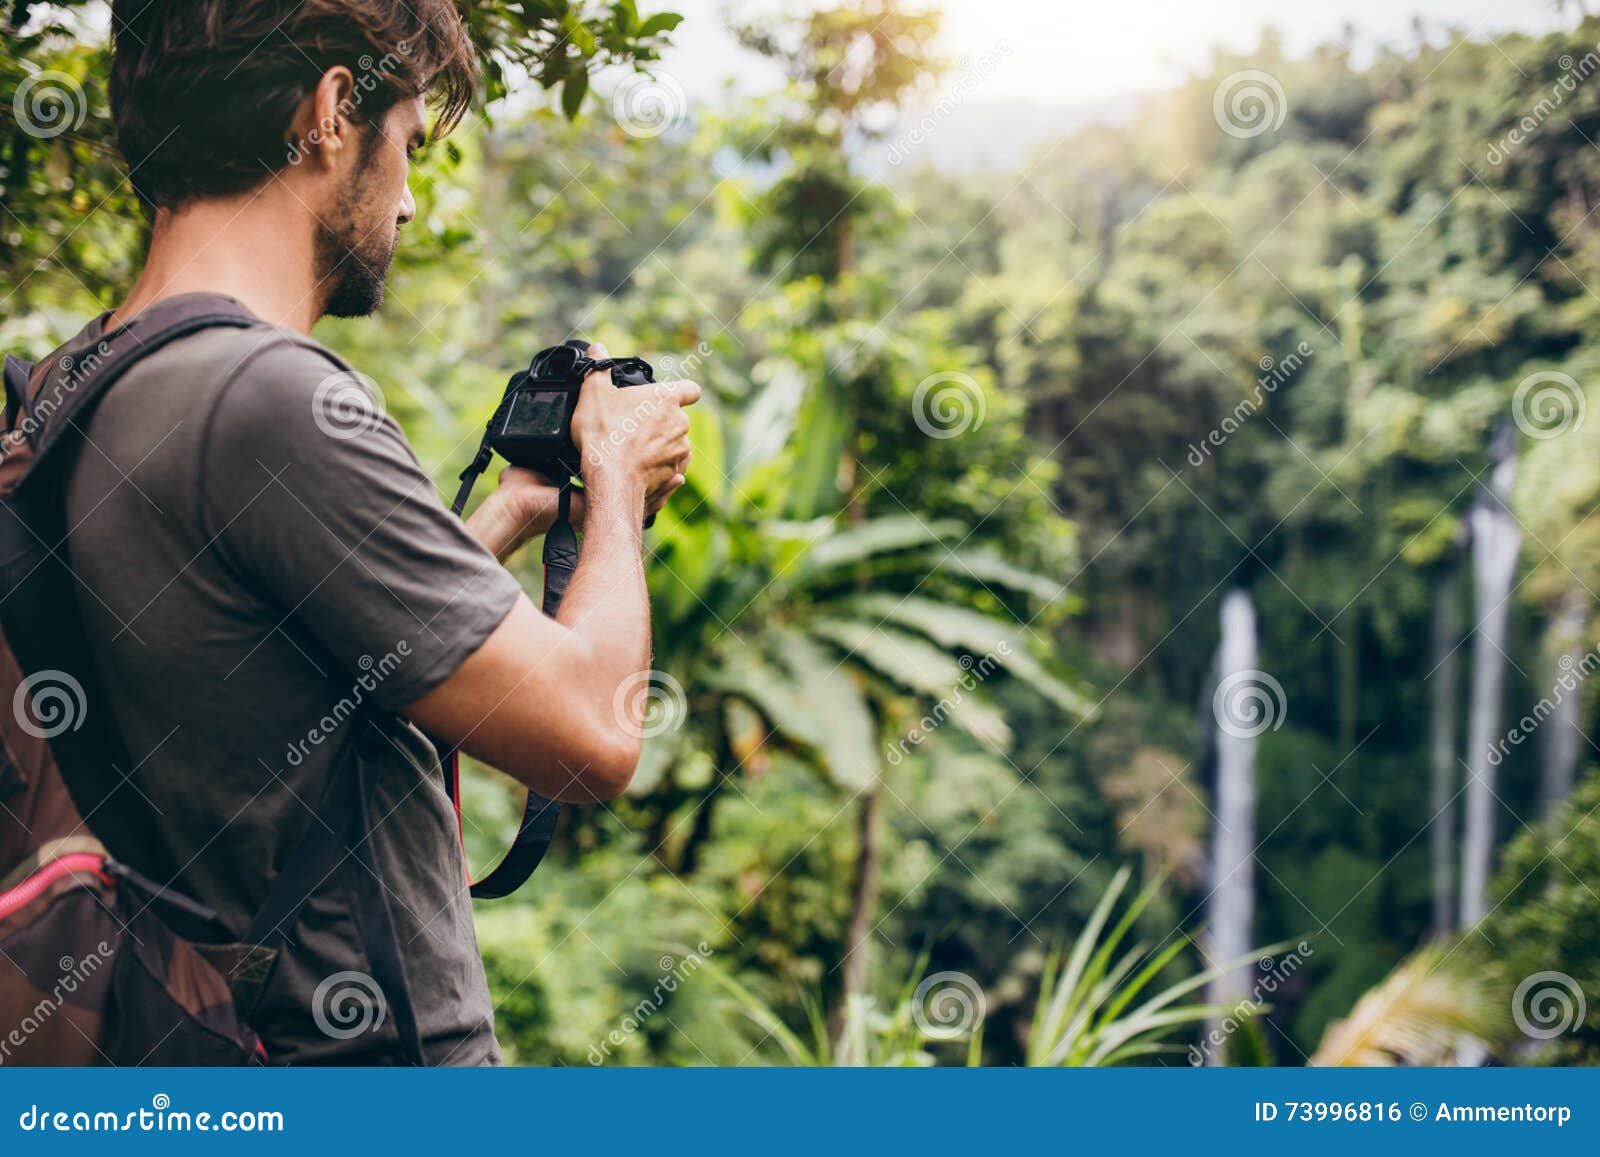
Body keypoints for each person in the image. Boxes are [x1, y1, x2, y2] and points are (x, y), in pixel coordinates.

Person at [31, 0, 696, 1064]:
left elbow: (271, 670)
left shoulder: (82, 381)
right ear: (334, 109)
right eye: (410, 144)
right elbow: (591, 737)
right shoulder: (266, 396)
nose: (409, 204)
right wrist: (616, 478)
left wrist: (513, 514)